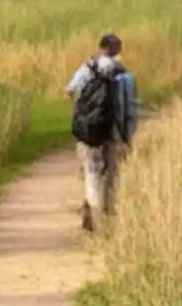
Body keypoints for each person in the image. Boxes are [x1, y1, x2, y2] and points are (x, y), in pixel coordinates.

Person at [65, 33, 138, 232]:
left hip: (90, 130)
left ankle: (93, 214)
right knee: (112, 173)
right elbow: (130, 109)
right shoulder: (124, 75)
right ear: (117, 49)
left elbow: (70, 90)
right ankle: (107, 215)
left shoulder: (88, 68)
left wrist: (86, 109)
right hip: (114, 131)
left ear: (101, 47)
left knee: (91, 172)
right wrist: (128, 136)